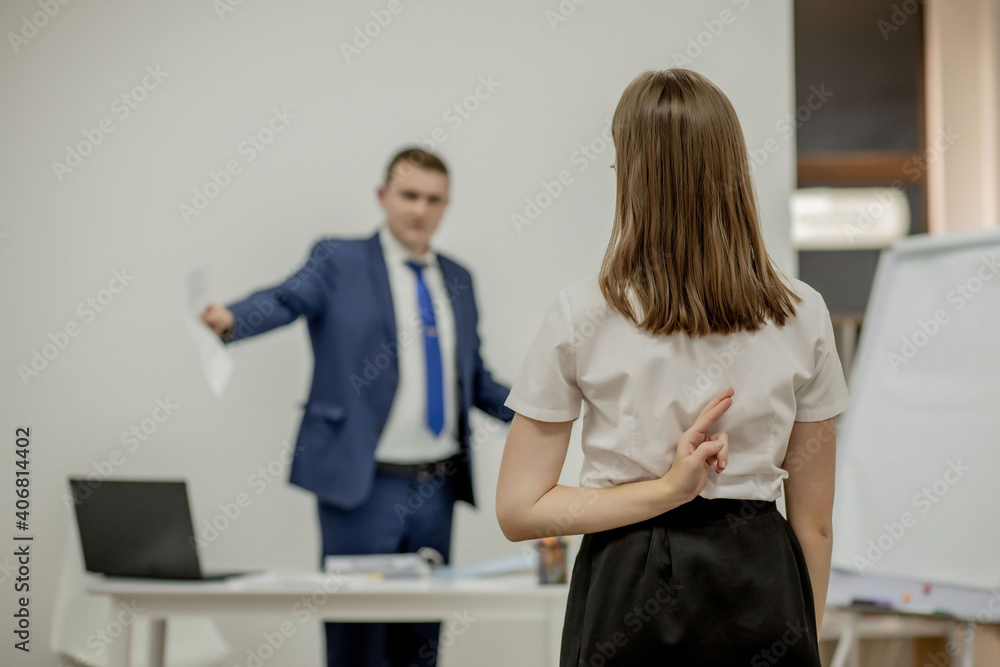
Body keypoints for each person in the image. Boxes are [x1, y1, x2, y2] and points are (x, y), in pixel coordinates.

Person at [495, 68, 850, 666]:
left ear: (631, 175)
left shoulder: (581, 313)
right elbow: (813, 526)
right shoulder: (803, 312)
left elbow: (519, 511)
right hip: (763, 581)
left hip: (626, 579)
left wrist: (663, 491)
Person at [201, 147, 515, 667]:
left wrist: (542, 412)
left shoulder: (458, 279)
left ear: (446, 205)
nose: (419, 210)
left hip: (435, 490)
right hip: (361, 487)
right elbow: (284, 300)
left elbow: (474, 378)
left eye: (433, 199)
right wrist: (231, 320)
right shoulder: (339, 262)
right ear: (383, 197)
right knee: (356, 645)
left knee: (420, 648)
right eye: (409, 195)